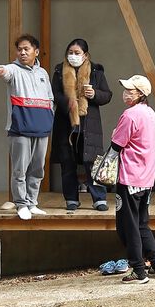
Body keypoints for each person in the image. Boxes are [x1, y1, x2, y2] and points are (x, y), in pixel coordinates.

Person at [110, 76, 155, 281]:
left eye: (130, 90)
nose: (126, 93)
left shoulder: (130, 114)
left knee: (128, 225)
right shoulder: (150, 113)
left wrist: (114, 134)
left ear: (140, 94)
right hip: (147, 176)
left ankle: (138, 269)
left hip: (129, 175)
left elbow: (117, 144)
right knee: (142, 223)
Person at [0, 34, 53, 221]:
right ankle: (21, 204)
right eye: (19, 49)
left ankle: (32, 202)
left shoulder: (43, 73)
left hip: (41, 127)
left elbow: (50, 98)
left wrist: (50, 116)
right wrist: (1, 70)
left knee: (38, 168)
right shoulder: (14, 69)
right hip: (19, 127)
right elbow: (5, 71)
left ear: (36, 51)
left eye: (26, 49)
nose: (22, 52)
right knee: (20, 169)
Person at [51, 38, 113, 213]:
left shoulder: (96, 71)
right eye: (70, 53)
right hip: (66, 123)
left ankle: (99, 199)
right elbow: (53, 93)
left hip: (89, 124)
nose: (73, 56)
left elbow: (107, 95)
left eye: (77, 53)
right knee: (67, 161)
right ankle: (71, 198)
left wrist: (94, 94)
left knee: (92, 162)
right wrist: (67, 102)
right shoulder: (58, 70)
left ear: (85, 55)